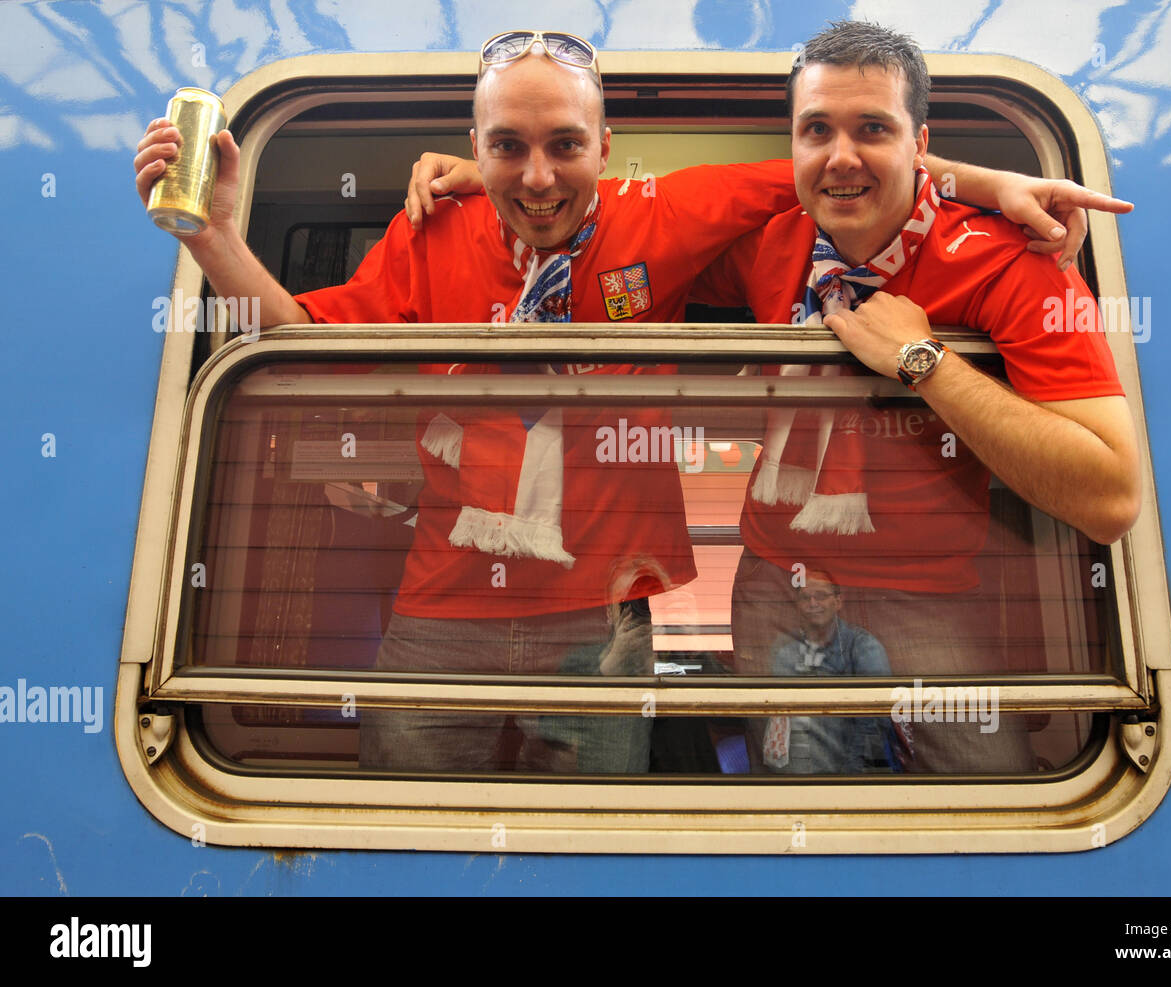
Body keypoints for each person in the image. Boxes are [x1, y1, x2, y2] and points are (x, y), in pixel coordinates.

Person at [133, 29, 802, 773]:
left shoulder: (662, 215)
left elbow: (839, 173)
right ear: (476, 149)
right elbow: (301, 349)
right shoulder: (428, 233)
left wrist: (954, 181)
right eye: (509, 147)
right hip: (442, 612)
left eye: (565, 146)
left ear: (605, 149)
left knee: (584, 845)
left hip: (600, 622)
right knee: (399, 830)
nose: (540, 177)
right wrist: (213, 236)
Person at [703, 20, 1142, 773]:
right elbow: (602, 228)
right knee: (791, 801)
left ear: (919, 143)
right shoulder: (769, 244)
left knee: (989, 792)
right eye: (818, 131)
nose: (842, 157)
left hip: (925, 595)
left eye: (874, 128)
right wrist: (481, 178)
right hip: (775, 579)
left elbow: (1111, 494)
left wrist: (924, 361)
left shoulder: (1013, 265)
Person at [760, 570, 902, 775]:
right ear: (797, 606)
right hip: (791, 776)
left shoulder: (862, 646)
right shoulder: (784, 650)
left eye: (821, 596)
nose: (813, 603)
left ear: (838, 601)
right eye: (805, 597)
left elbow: (874, 720)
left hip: (846, 775)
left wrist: (847, 779)